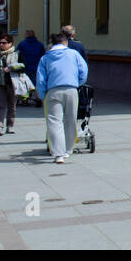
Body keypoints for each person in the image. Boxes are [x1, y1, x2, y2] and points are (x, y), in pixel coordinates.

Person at [37, 31, 88, 164]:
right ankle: (68, 149)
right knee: (70, 119)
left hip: (53, 91)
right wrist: (77, 83)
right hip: (71, 89)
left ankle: (58, 154)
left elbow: (41, 79)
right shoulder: (74, 54)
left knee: (54, 122)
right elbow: (84, 71)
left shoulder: (45, 58)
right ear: (65, 42)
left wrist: (43, 95)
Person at [0, 34, 24, 136]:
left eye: (4, 43)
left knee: (12, 106)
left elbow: (23, 67)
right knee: (0, 105)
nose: (1, 45)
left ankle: (10, 125)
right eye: (0, 43)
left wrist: (11, 68)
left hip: (13, 83)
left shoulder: (17, 54)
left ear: (10, 43)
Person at [16, 30, 45, 106]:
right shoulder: (39, 44)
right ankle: (38, 100)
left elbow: (16, 54)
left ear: (26, 35)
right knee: (36, 83)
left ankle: (25, 100)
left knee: (25, 83)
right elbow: (43, 55)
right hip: (36, 66)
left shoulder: (22, 44)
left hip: (25, 66)